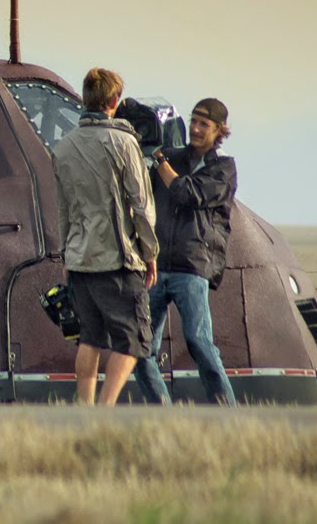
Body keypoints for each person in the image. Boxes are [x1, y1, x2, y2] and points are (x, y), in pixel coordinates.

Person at [52, 68, 158, 406]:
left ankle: (85, 408)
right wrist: (149, 252)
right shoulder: (124, 142)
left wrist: (67, 256)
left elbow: (63, 210)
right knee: (133, 340)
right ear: (114, 100)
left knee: (89, 338)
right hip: (117, 259)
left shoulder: (63, 147)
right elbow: (141, 206)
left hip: (80, 259)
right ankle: (106, 407)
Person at [134, 98, 238, 405]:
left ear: (219, 131)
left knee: (198, 341)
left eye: (203, 124)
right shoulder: (171, 158)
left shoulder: (223, 169)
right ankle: (163, 413)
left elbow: (187, 193)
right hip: (156, 265)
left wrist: (159, 162)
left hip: (192, 267)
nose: (195, 128)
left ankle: (229, 412)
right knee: (142, 349)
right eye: (193, 121)